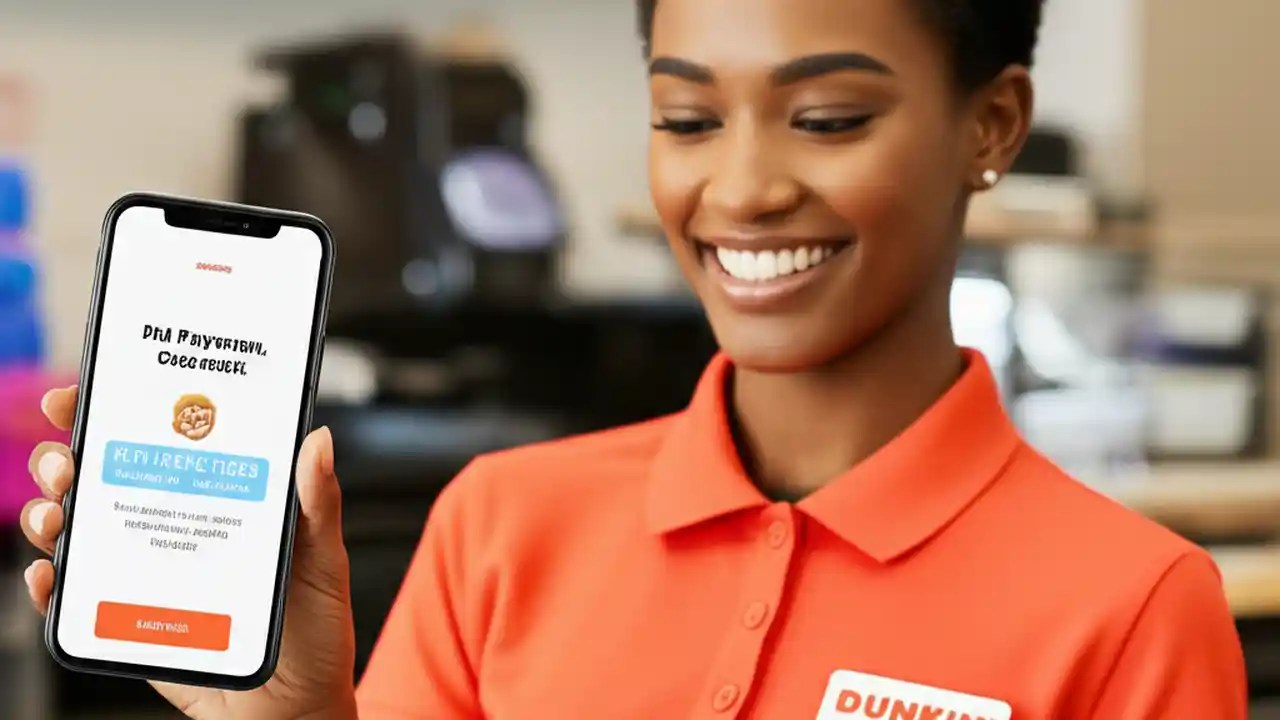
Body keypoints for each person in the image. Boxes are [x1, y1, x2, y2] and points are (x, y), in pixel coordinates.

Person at [19, 0, 1249, 717]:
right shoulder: (500, 527)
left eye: (826, 120)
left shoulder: (1131, 607)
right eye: (685, 119)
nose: (743, 188)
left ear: (991, 125)